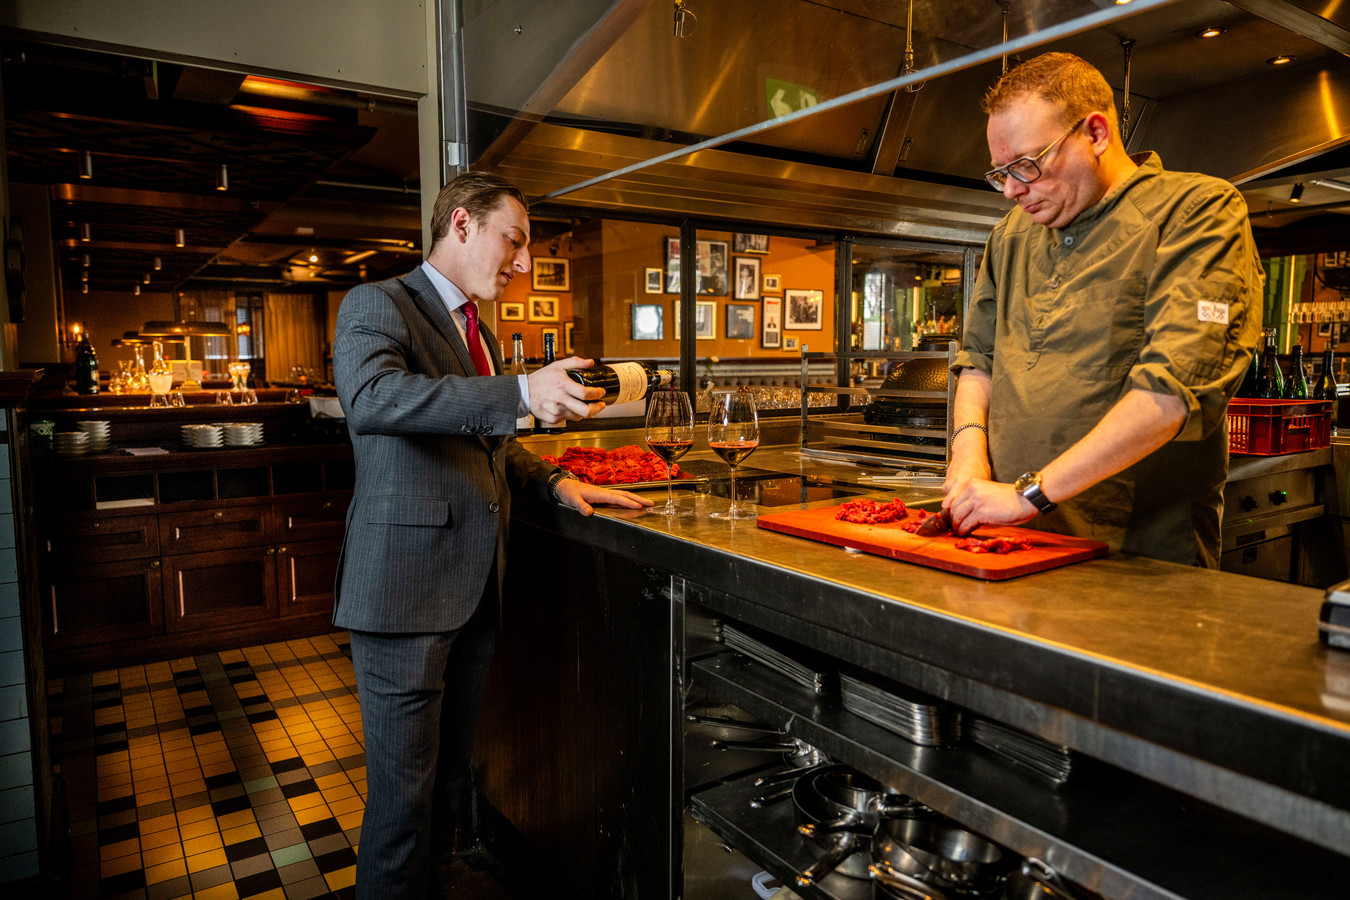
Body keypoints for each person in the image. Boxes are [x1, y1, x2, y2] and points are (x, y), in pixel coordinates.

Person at [332, 171, 650, 899]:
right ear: (465, 225)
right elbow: (375, 400)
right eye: (515, 239)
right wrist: (518, 393)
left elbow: (490, 445)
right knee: (402, 810)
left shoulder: (475, 329)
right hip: (404, 594)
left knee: (448, 791)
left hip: (472, 593)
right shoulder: (377, 304)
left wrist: (554, 481)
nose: (524, 261)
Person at [943, 52, 1263, 567]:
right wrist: (967, 459)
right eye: (1000, 172)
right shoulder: (1011, 237)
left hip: (1136, 559)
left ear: (1095, 133)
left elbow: (1171, 394)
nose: (1010, 190)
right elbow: (979, 360)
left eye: (1027, 165)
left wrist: (1026, 495)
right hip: (1004, 543)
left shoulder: (1197, 211)